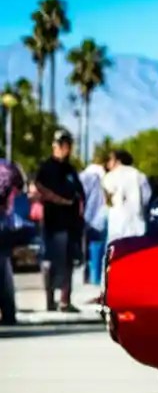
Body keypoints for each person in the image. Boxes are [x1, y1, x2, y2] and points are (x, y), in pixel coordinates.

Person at [33, 129, 85, 313]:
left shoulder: (70, 169)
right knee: (51, 262)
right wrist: (63, 201)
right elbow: (39, 188)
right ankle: (50, 299)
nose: (67, 149)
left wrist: (77, 205)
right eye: (64, 145)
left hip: (71, 223)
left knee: (68, 261)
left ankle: (65, 300)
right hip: (54, 223)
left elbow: (78, 191)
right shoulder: (46, 167)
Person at [102, 149, 151, 245]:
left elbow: (107, 199)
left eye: (110, 160)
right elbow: (146, 198)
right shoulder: (140, 175)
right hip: (137, 225)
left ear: (118, 161)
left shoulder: (109, 177)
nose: (108, 163)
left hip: (117, 226)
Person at [0, 158, 25, 325]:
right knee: (3, 269)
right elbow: (20, 187)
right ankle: (9, 313)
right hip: (3, 221)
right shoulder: (8, 167)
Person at [80, 150, 109, 286]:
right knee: (98, 247)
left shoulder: (84, 175)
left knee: (85, 247)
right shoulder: (105, 176)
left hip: (85, 216)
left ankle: (86, 275)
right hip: (101, 215)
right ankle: (96, 277)